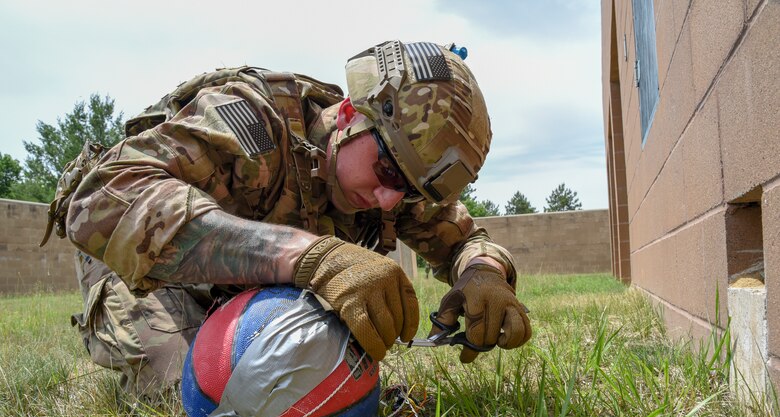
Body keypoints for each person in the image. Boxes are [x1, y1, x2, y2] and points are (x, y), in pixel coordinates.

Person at [62, 40, 532, 397]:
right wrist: (310, 256)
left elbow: (467, 239)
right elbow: (98, 203)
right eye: (387, 171)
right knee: (206, 397)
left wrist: (483, 274)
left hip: (243, 286)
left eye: (411, 190)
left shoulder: (394, 177)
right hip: (143, 261)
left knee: (303, 389)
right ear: (351, 112)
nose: (390, 201)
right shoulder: (253, 123)